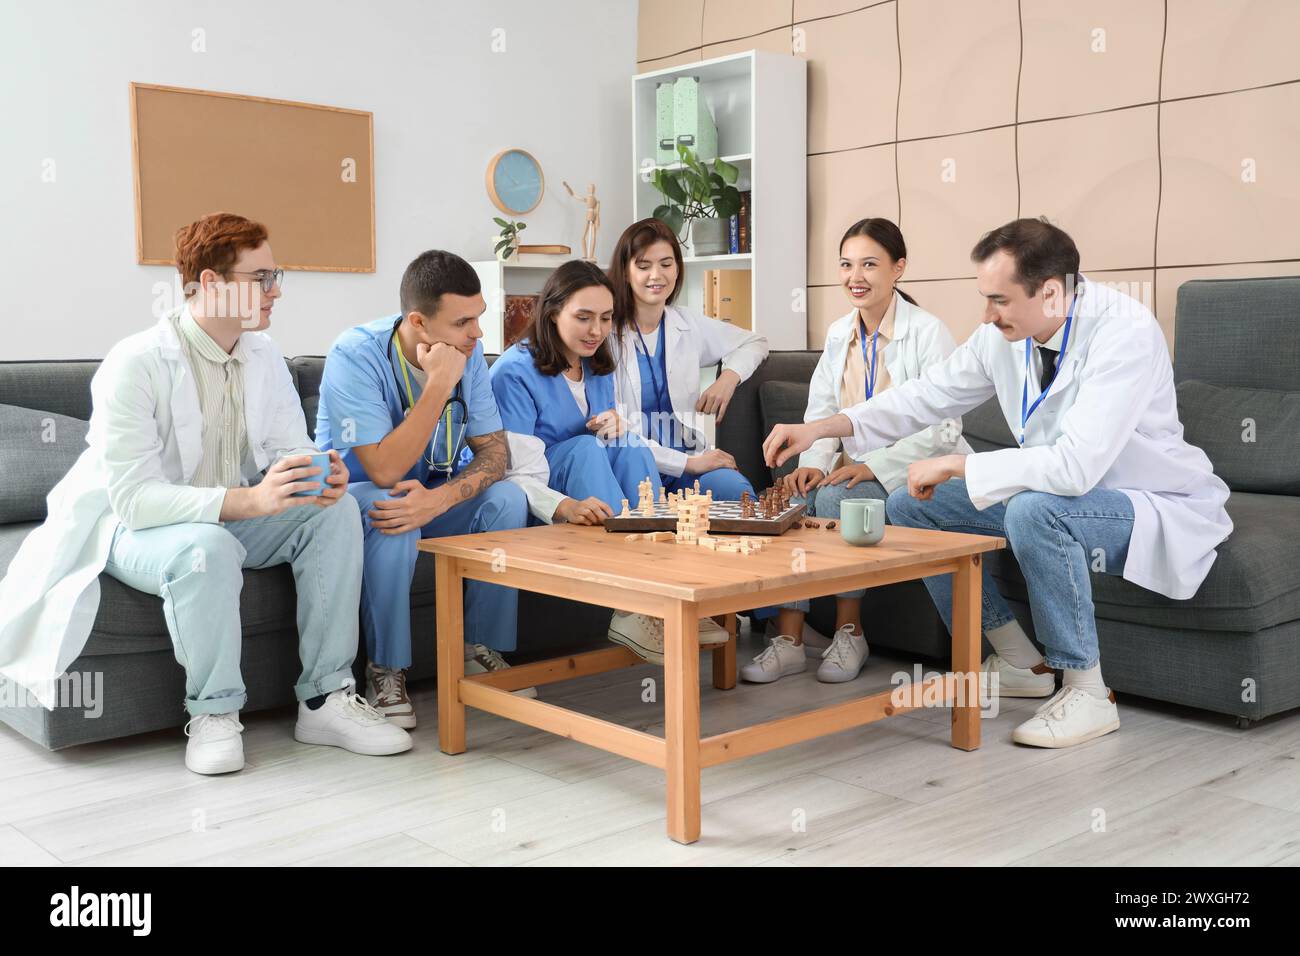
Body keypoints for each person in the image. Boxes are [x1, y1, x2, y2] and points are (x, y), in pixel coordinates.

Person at [762, 217, 1232, 748]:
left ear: (1050, 292)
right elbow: (924, 395)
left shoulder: (1124, 332)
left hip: (1142, 500)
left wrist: (959, 465)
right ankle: (1018, 663)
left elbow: (1076, 468)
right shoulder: (1004, 335)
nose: (986, 315)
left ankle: (1087, 690)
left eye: (999, 300)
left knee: (1036, 510)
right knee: (914, 505)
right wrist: (819, 428)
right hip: (1053, 489)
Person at [0, 212, 411, 774]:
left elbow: (288, 448)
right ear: (213, 284)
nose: (277, 290)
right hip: (134, 527)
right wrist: (249, 501)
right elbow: (135, 501)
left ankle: (324, 700)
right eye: (261, 278)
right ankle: (215, 713)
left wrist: (320, 473)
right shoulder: (136, 362)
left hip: (233, 512)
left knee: (333, 511)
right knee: (206, 547)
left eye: (277, 275)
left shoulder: (264, 355)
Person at [742, 218, 971, 686]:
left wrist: (873, 466)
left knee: (833, 501)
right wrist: (810, 466)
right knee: (789, 497)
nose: (855, 277)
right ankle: (788, 638)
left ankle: (851, 632)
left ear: (898, 268)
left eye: (870, 264)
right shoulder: (839, 333)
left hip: (913, 470)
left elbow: (946, 428)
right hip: (851, 465)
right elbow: (822, 410)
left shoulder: (928, 332)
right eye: (846, 265)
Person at [315, 250, 532, 728]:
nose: (477, 334)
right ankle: (386, 668)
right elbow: (385, 469)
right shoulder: (355, 354)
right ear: (418, 321)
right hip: (353, 495)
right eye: (463, 323)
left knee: (507, 499)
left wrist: (440, 498)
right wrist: (438, 385)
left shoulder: (467, 355)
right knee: (395, 507)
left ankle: (477, 648)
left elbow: (496, 454)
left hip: (428, 490)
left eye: (479, 318)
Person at [489, 260, 727, 663]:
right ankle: (633, 603)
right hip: (545, 496)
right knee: (587, 448)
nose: (596, 331)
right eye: (583, 318)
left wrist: (617, 425)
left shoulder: (598, 363)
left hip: (593, 481)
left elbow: (616, 440)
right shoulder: (514, 371)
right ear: (552, 312)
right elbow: (517, 470)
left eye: (605, 318)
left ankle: (663, 590)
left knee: (630, 446)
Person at [607, 218, 768, 501]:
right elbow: (615, 432)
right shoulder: (606, 336)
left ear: (678, 269)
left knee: (737, 495)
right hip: (637, 466)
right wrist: (688, 463)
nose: (656, 275)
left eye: (666, 264)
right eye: (643, 266)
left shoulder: (685, 323)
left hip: (690, 462)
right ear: (625, 272)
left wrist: (728, 378)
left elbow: (755, 342)